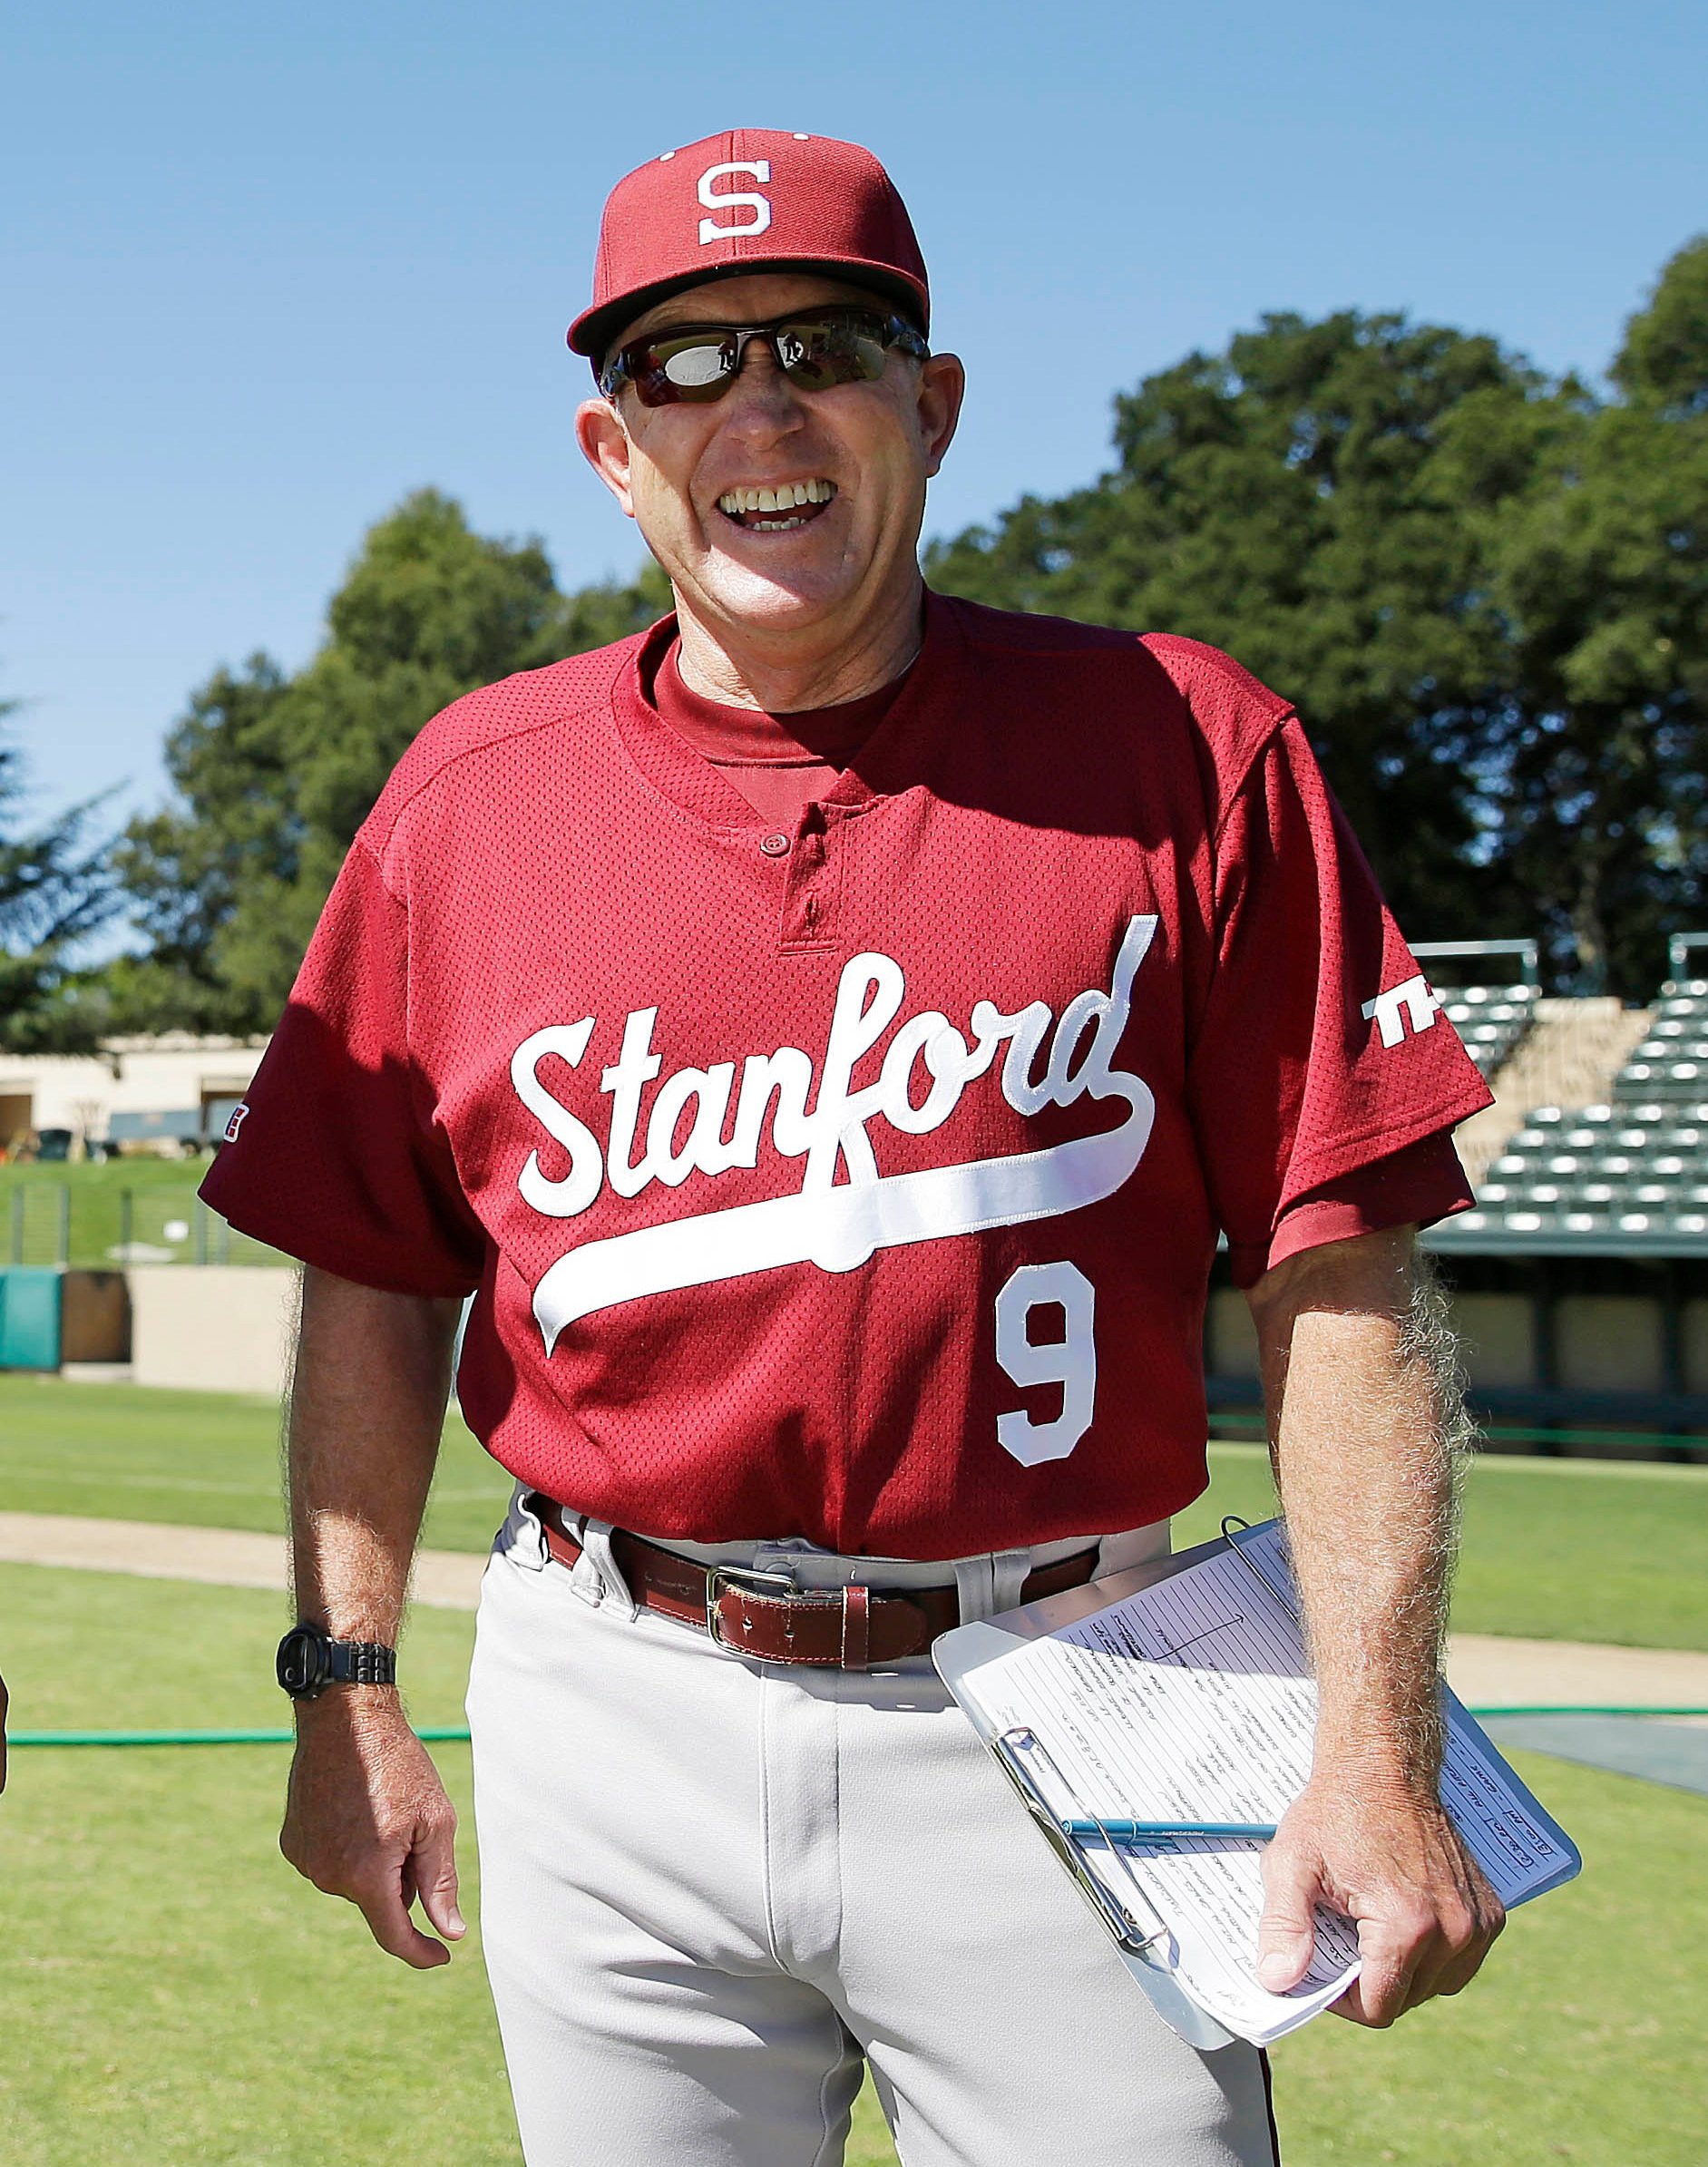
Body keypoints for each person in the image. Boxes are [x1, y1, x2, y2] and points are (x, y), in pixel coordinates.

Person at [202, 128, 1505, 2167]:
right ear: (611, 450)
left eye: (821, 342)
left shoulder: (1184, 747)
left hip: (1070, 1683)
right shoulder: (471, 800)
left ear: (936, 403)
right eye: (683, 367)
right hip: (606, 1689)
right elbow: (377, 1272)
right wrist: (344, 1686)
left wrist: (1377, 1728)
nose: (759, 407)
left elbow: (1344, 1278)